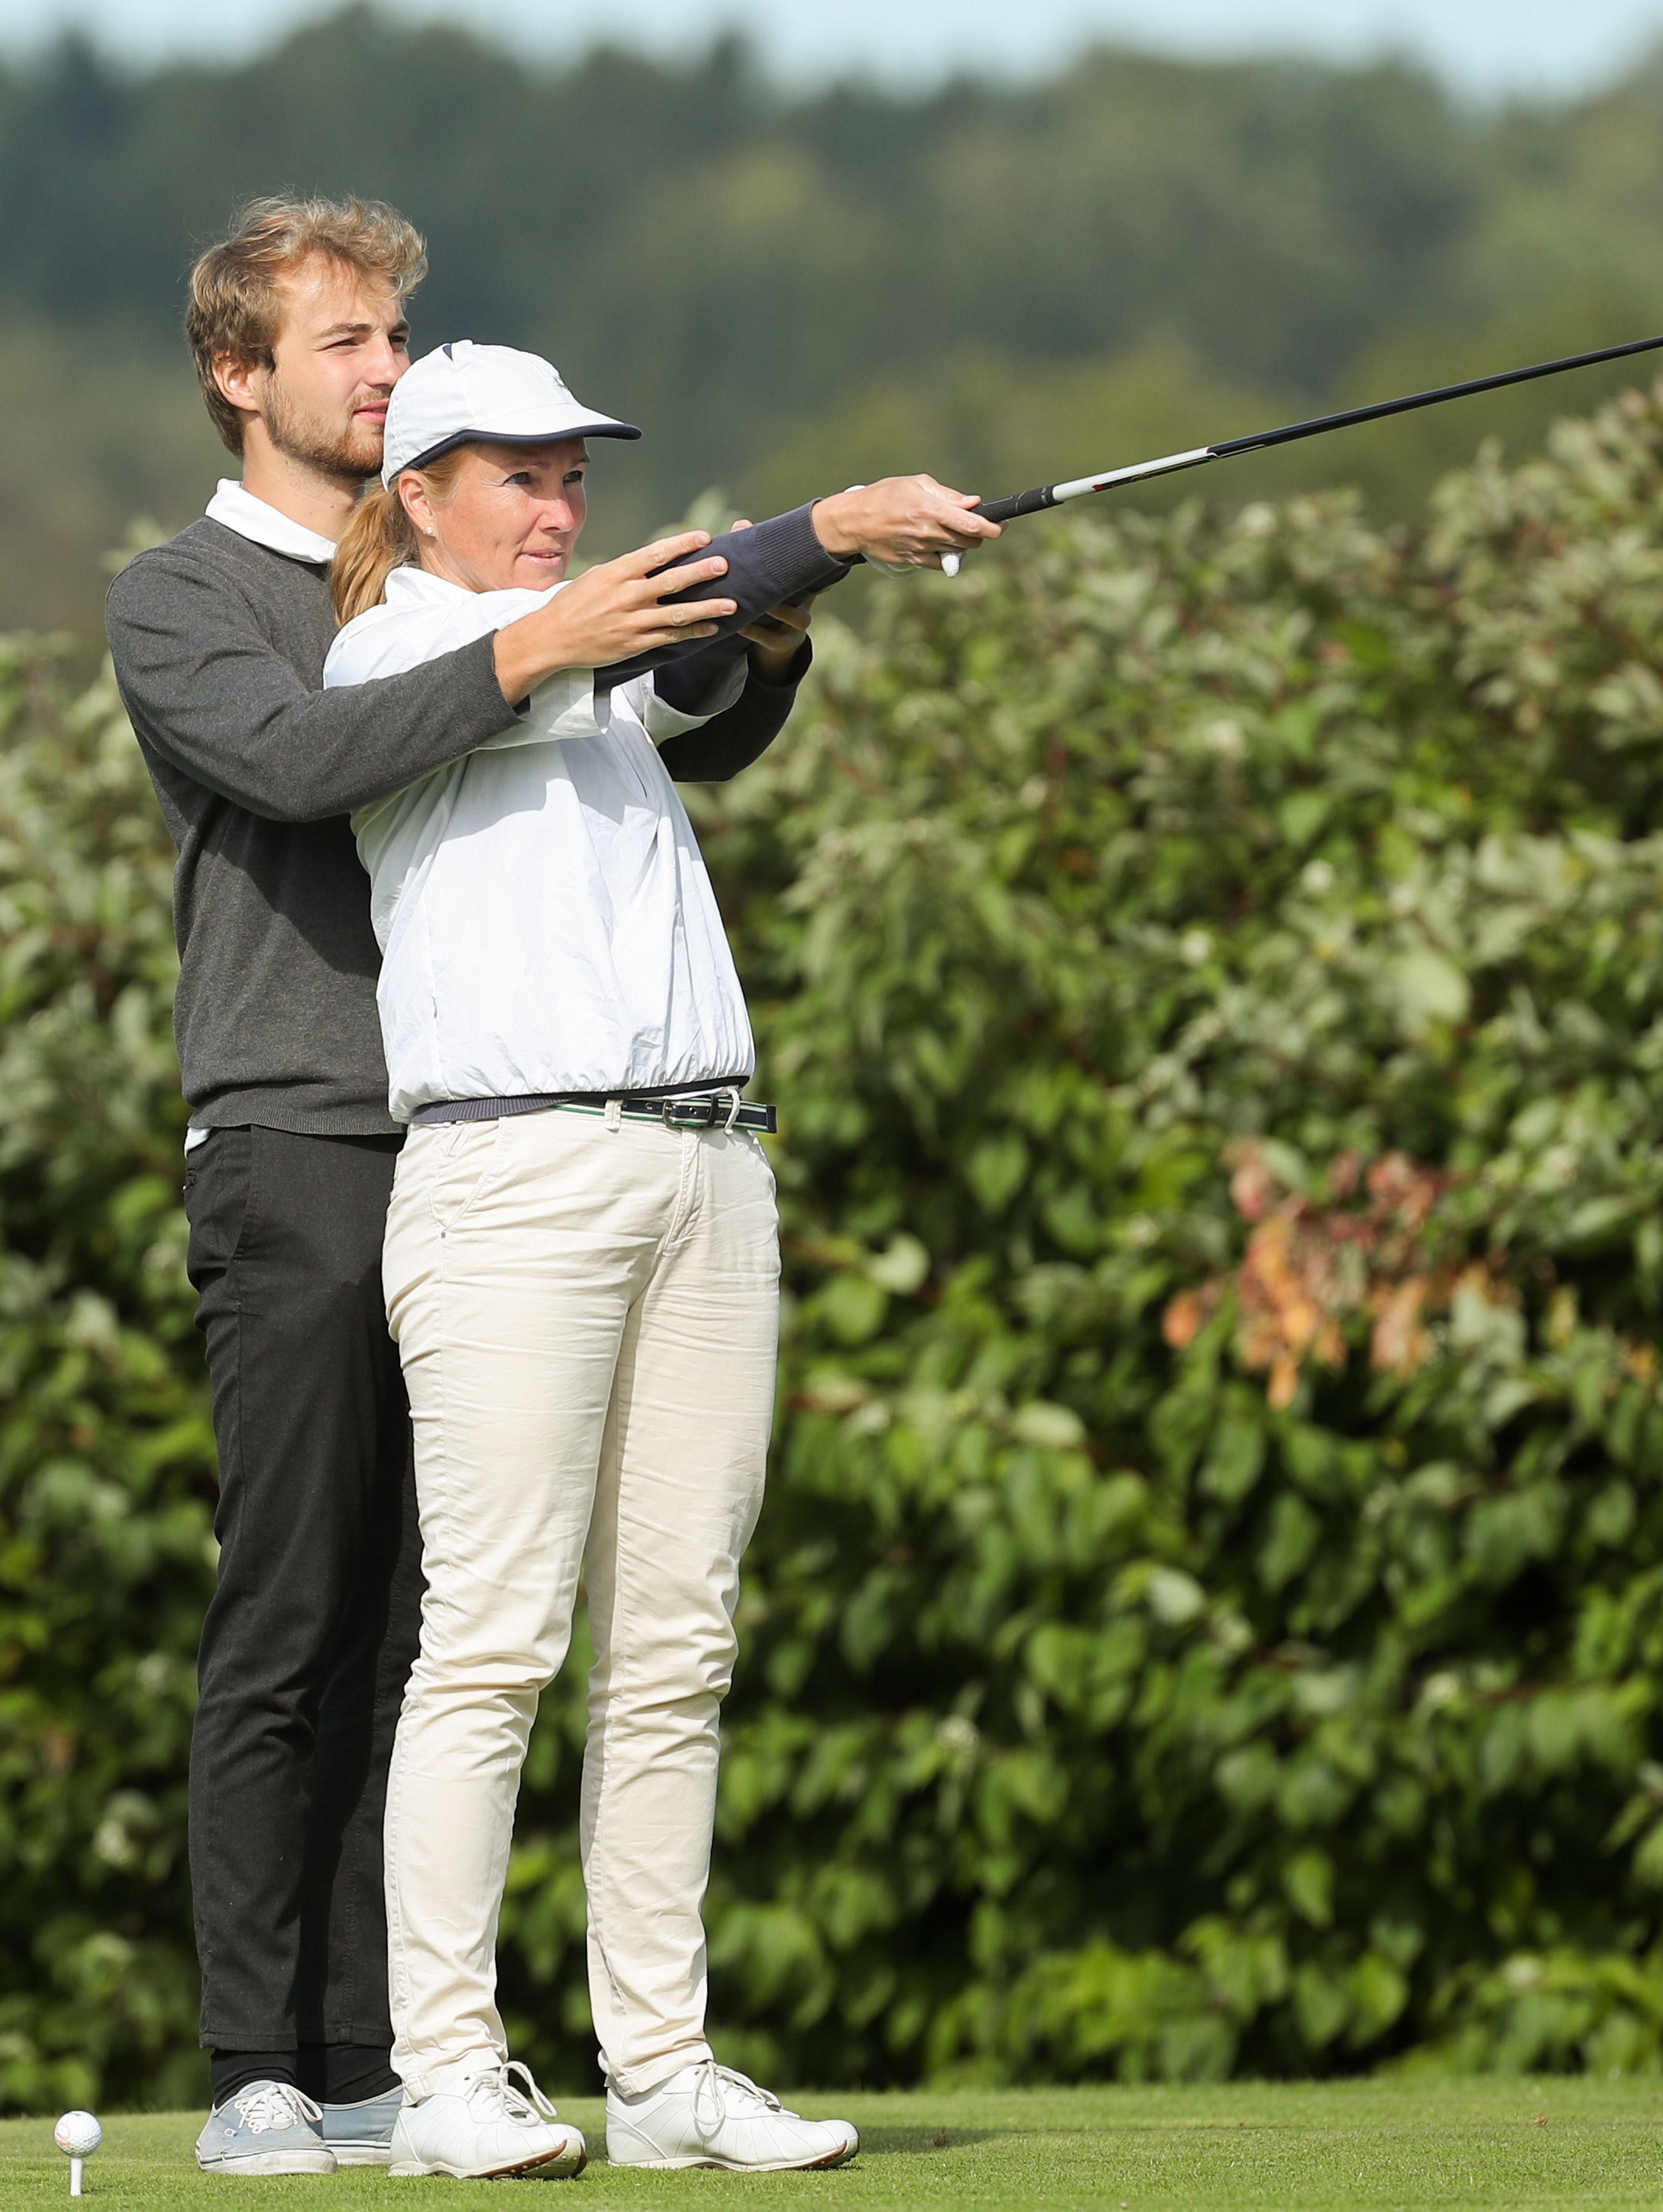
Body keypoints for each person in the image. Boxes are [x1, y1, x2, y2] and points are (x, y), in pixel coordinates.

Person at [106, 201, 992, 2177]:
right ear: (242, 376)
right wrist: (763, 554)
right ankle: (283, 2051)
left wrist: (755, 612)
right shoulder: (221, 603)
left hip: (549, 1135)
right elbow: (315, 753)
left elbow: (685, 707)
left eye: (396, 332)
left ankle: (421, 2051)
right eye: (347, 341)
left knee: (471, 1610)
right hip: (308, 1124)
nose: (383, 363)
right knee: (315, 1605)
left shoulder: (503, 605)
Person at [326, 343, 957, 2179]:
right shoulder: (402, 657)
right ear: (420, 492)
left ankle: (660, 2069)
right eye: (514, 474)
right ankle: (445, 2072)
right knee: (495, 1643)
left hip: (706, 1167)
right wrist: (823, 524)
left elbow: (704, 680)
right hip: (511, 1175)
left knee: (677, 1646)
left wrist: (782, 610)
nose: (552, 503)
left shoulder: (589, 675)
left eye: (570, 475)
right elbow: (616, 630)